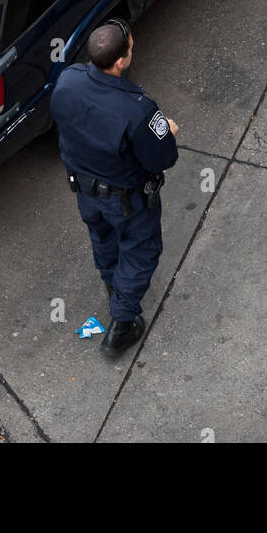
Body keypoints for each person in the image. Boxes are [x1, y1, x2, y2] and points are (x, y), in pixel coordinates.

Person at [50, 19, 179, 356]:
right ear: (121, 61)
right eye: (131, 47)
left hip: (85, 192)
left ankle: (112, 285)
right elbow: (161, 159)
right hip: (128, 201)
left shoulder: (67, 81)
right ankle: (122, 324)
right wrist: (168, 133)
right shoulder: (138, 110)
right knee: (140, 252)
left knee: (103, 238)